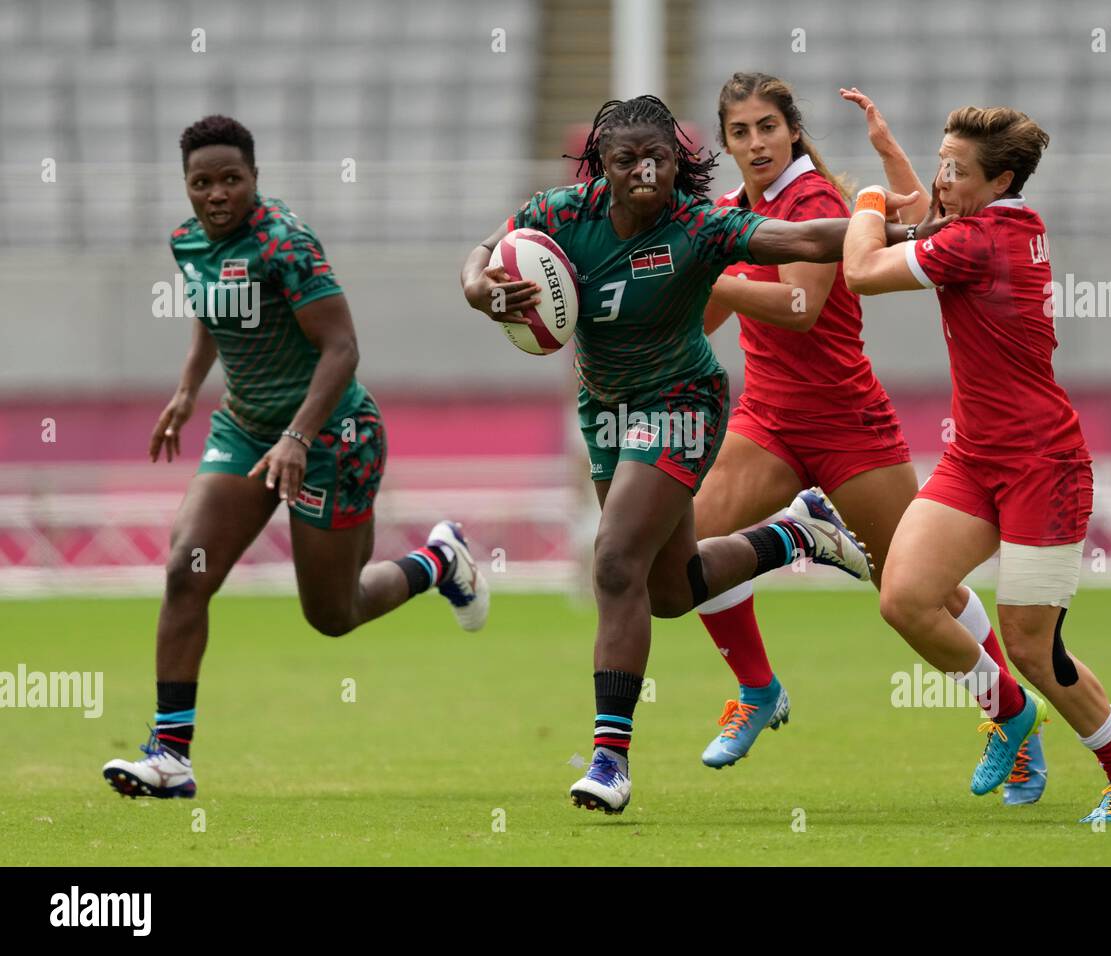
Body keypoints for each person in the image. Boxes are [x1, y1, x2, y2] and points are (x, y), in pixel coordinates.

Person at [461, 95, 924, 814]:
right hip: (606, 411)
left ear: (680, 164)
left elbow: (803, 242)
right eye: (626, 160)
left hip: (680, 404)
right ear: (600, 168)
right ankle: (798, 534)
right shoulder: (558, 215)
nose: (645, 171)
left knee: (614, 561)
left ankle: (610, 762)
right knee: (669, 591)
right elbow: (484, 255)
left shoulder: (700, 226)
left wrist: (910, 232)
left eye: (661, 159)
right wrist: (480, 290)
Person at [102, 115, 487, 800]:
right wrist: (189, 389)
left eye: (230, 179)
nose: (216, 193)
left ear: (255, 178)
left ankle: (438, 561)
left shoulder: (287, 244)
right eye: (201, 182)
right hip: (246, 431)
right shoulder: (188, 242)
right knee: (185, 570)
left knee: (332, 616)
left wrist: (299, 438)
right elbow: (211, 310)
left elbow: (342, 348)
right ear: (184, 186)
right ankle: (170, 754)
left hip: (333, 439)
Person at [691, 73, 1046, 805]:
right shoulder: (729, 213)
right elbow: (705, 326)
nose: (755, 142)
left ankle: (1011, 717)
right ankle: (758, 688)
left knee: (919, 593)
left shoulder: (815, 201)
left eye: (766, 127)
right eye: (739, 132)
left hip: (849, 427)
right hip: (767, 423)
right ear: (725, 142)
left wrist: (710, 276)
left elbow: (797, 304)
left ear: (791, 130)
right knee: (680, 554)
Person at [839, 91, 1111, 823]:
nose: (942, 180)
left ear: (1000, 184)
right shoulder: (1000, 222)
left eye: (956, 170)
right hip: (975, 457)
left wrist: (863, 194)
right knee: (904, 598)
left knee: (1030, 643)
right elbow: (931, 210)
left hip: (1042, 466)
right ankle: (1011, 717)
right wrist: (894, 154)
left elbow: (860, 270)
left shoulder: (976, 242)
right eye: (941, 165)